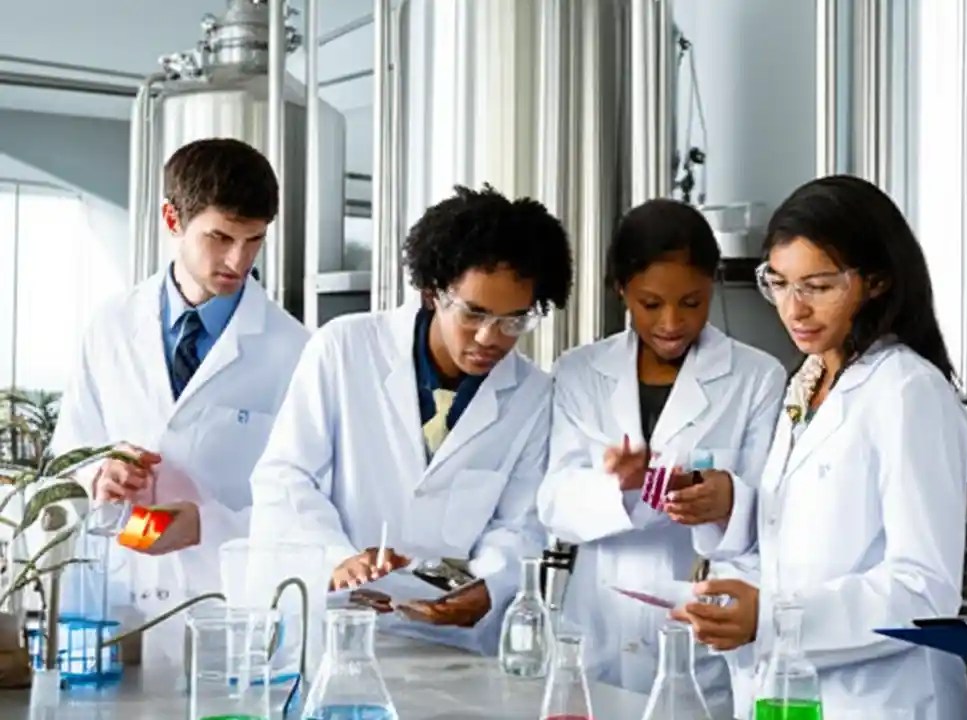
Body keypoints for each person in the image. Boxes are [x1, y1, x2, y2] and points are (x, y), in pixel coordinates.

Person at [672, 175, 967, 718]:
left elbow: (924, 589)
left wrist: (773, 617)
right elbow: (809, 532)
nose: (795, 309)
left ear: (877, 280)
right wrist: (735, 508)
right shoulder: (810, 380)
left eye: (818, 286)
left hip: (881, 699)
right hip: (797, 692)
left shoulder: (908, 391)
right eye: (780, 284)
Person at [248, 184, 572, 654]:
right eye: (474, 312)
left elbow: (520, 522)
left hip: (452, 644)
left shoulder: (533, 394)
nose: (489, 337)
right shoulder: (344, 348)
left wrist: (489, 586)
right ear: (432, 292)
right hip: (337, 627)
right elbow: (285, 476)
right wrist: (338, 561)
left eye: (512, 321)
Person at [50, 138, 310, 658]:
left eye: (254, 240)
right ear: (173, 219)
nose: (238, 260)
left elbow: (308, 504)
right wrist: (100, 473)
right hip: (118, 607)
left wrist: (208, 523)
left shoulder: (295, 349)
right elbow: (69, 450)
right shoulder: (110, 326)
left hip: (227, 613)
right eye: (220, 237)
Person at [537, 198, 785, 715]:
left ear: (713, 286)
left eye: (692, 303)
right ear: (621, 289)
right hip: (597, 626)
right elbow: (554, 500)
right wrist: (618, 487)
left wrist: (728, 500)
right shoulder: (579, 372)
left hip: (699, 627)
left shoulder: (757, 377)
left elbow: (772, 513)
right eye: (651, 304)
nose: (672, 322)